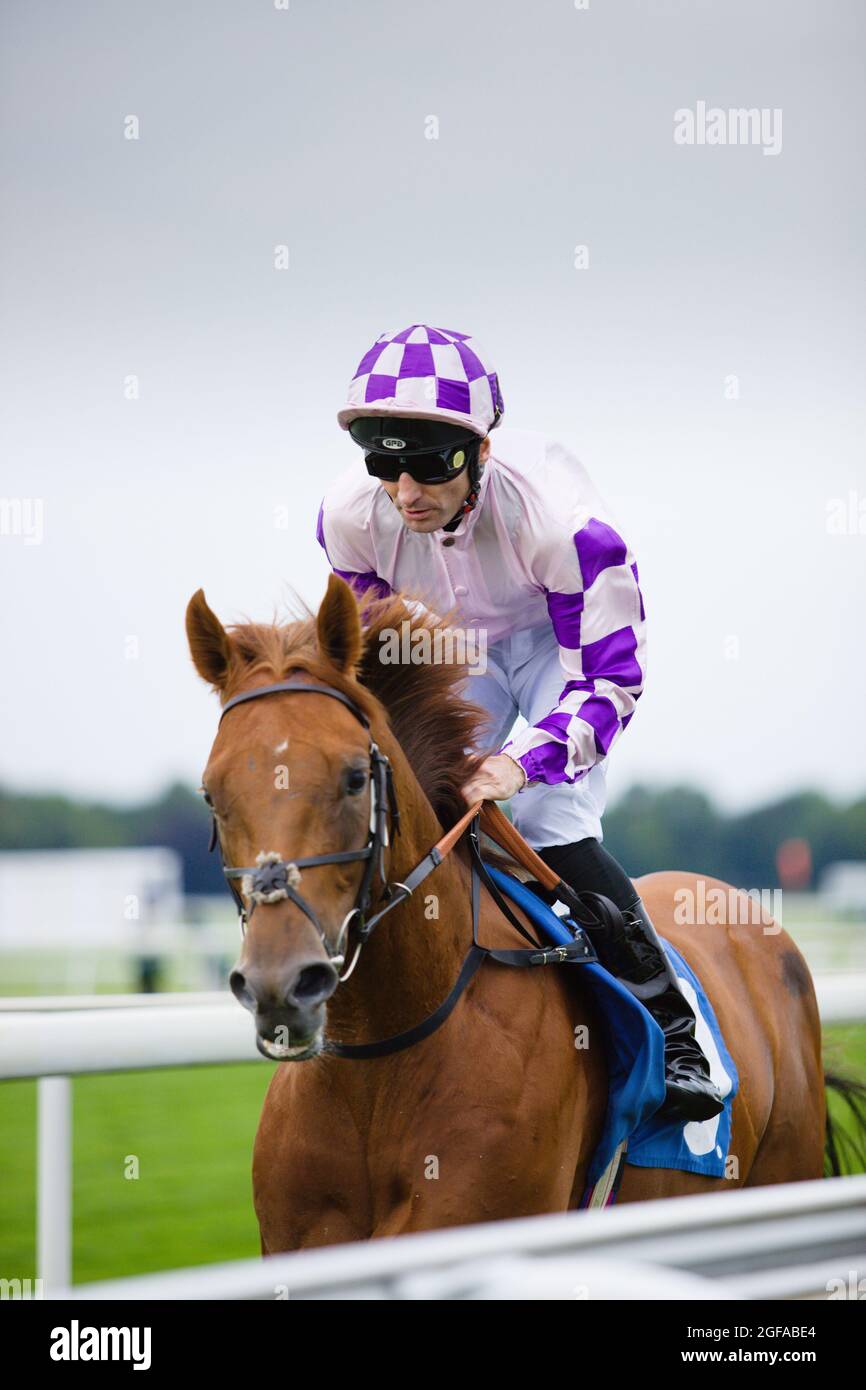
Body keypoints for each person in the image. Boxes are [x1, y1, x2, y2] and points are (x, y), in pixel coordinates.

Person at [316, 322, 723, 1122]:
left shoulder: (566, 526)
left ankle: (676, 1031)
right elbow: (381, 662)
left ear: (481, 453)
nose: (404, 492)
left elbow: (609, 682)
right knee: (418, 795)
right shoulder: (348, 519)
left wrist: (520, 764)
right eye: (384, 463)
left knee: (546, 817)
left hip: (559, 644)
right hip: (445, 639)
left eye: (429, 465)